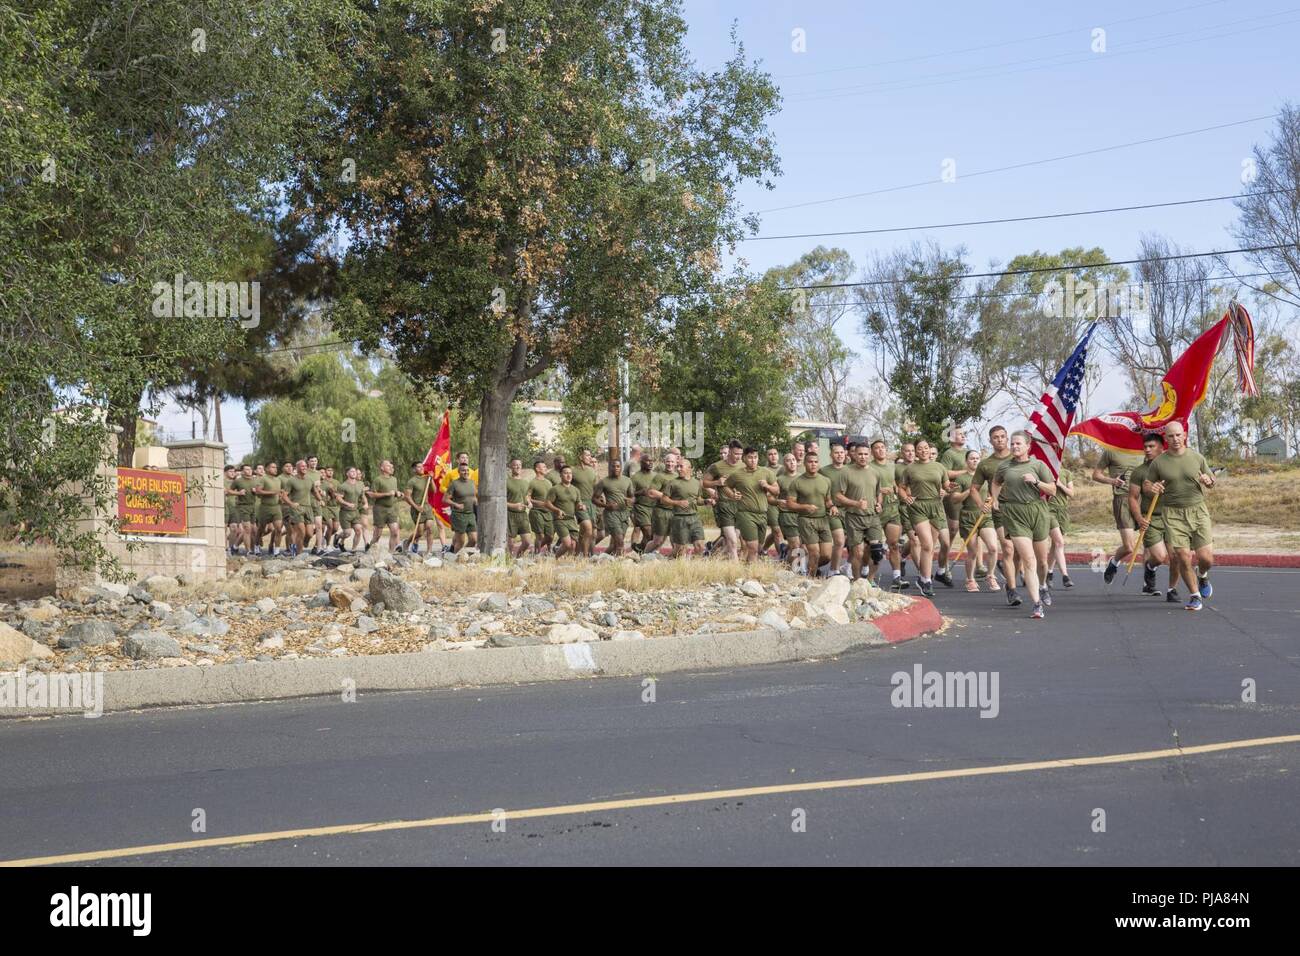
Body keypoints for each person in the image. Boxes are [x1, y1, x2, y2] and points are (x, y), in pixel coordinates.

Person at [1143, 420, 1216, 612]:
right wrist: (1154, 487)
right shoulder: (1159, 462)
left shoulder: (1197, 457)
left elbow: (1211, 481)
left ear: (1184, 435)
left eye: (1178, 435)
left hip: (1198, 510)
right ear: (1165, 439)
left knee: (1206, 558)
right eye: (1170, 436)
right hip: (1173, 513)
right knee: (1183, 556)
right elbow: (1147, 485)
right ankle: (1194, 596)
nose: (1175, 439)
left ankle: (1202, 575)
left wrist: (1208, 480)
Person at [989, 431, 1056, 620]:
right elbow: (995, 483)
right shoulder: (1004, 466)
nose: (1014, 446)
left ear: (1028, 446)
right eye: (1013, 443)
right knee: (1029, 560)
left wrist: (1036, 481)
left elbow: (1053, 490)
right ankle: (1036, 604)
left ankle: (1043, 586)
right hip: (1014, 514)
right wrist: (995, 499)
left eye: (1019, 443)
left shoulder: (1038, 465)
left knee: (1042, 561)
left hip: (1037, 512)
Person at [897, 438, 950, 596]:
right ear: (915, 451)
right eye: (919, 449)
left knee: (930, 546)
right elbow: (901, 488)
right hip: (918, 507)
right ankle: (926, 580)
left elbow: (946, 486)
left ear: (929, 449)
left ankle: (922, 578)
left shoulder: (939, 467)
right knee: (926, 544)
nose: (923, 451)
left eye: (926, 448)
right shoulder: (910, 469)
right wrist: (906, 497)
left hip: (935, 506)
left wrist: (949, 489)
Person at [1129, 432, 1176, 601]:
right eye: (1145, 447)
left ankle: (1172, 590)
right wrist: (1139, 519)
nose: (1147, 450)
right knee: (1159, 556)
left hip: (1172, 517)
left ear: (1161, 448)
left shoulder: (1172, 466)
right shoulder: (1139, 472)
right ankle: (1150, 567)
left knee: (1175, 556)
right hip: (1151, 518)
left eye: (1152, 446)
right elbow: (1133, 498)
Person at [971, 426, 1015, 600]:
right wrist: (982, 504)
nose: (999, 440)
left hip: (1020, 509)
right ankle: (1011, 588)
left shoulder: (1017, 458)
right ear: (990, 440)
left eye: (1003, 436)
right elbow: (974, 489)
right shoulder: (986, 464)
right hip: (999, 510)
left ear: (1007, 438)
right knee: (1008, 548)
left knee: (1019, 553)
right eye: (995, 437)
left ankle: (1012, 577)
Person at [1093, 444, 1144, 584]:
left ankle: (1149, 583)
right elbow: (1096, 475)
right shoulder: (1111, 451)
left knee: (1151, 544)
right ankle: (1114, 563)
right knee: (1129, 547)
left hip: (1143, 499)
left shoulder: (1143, 449)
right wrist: (1112, 481)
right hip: (1123, 499)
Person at [835, 442, 883, 581]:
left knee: (877, 552)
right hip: (854, 517)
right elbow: (838, 495)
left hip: (872, 517)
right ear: (854, 455)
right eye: (860, 454)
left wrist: (879, 504)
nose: (863, 457)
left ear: (870, 455)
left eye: (865, 454)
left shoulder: (875, 472)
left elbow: (878, 492)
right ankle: (857, 582)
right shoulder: (846, 472)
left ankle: (870, 581)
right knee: (858, 553)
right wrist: (856, 503)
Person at [723, 448, 781, 563]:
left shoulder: (766, 472)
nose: (753, 460)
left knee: (758, 548)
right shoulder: (737, 474)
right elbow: (725, 486)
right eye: (750, 457)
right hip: (746, 514)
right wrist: (733, 495)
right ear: (744, 459)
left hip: (762, 514)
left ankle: (748, 567)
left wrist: (767, 486)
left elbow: (777, 490)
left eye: (755, 457)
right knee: (752, 547)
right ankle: (751, 575)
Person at [786, 451, 833, 576]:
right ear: (805, 464)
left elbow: (828, 501)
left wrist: (832, 507)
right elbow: (790, 504)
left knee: (827, 555)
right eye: (810, 462)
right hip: (806, 520)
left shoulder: (826, 481)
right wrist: (805, 507)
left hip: (823, 520)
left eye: (816, 462)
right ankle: (811, 580)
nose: (813, 464)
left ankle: (802, 564)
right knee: (815, 553)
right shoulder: (797, 482)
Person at [869, 440, 907, 589]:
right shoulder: (869, 468)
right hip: (876, 511)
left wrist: (896, 489)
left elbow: (899, 484)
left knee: (894, 545)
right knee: (875, 548)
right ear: (872, 452)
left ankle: (897, 577)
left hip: (892, 509)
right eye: (877, 448)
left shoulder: (893, 466)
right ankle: (869, 579)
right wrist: (879, 491)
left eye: (882, 447)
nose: (880, 450)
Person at [948, 449, 984, 591]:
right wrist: (968, 491)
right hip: (968, 515)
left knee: (993, 547)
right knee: (973, 550)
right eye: (972, 458)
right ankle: (970, 579)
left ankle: (991, 576)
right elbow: (955, 499)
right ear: (966, 461)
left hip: (985, 516)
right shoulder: (961, 479)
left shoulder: (985, 477)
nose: (975, 460)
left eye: (977, 458)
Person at [703, 441, 744, 560]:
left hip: (740, 506)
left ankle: (712, 559)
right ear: (730, 452)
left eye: (740, 454)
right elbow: (704, 483)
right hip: (724, 506)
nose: (738, 457)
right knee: (732, 541)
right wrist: (717, 482)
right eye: (736, 454)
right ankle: (735, 570)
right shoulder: (716, 466)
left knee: (732, 540)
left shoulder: (743, 465)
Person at [664, 459, 708, 558]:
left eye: (681, 466)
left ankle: (694, 567)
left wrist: (706, 501)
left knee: (700, 546)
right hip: (680, 518)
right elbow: (664, 499)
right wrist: (677, 502)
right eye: (677, 467)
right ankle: (670, 560)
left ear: (689, 468)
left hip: (695, 518)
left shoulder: (696, 483)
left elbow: (698, 500)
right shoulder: (672, 483)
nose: (678, 469)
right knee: (680, 550)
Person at [594, 457, 635, 557]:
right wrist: (606, 505)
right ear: (609, 467)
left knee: (614, 545)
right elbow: (594, 499)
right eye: (613, 466)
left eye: (618, 466)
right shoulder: (604, 482)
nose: (616, 468)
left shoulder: (627, 480)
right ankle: (619, 565)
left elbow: (632, 497)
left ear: (621, 467)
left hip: (624, 514)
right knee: (620, 542)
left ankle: (600, 559)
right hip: (611, 514)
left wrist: (630, 500)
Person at [821, 441, 849, 574]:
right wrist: (830, 504)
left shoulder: (851, 470)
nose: (839, 455)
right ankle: (834, 570)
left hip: (850, 511)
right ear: (831, 455)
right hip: (832, 509)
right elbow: (821, 491)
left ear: (845, 454)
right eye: (836, 452)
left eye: (841, 452)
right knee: (839, 540)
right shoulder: (824, 471)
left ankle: (849, 567)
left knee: (853, 543)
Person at [543, 465, 583, 557]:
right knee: (567, 543)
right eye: (565, 473)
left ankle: (568, 562)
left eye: (570, 473)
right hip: (560, 520)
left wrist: (581, 506)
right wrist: (557, 510)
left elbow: (578, 504)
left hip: (571, 520)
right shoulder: (555, 489)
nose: (568, 475)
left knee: (573, 544)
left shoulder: (576, 490)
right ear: (560, 475)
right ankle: (555, 559)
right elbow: (547, 503)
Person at [1045, 464, 1074, 589]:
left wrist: (1060, 484)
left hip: (1062, 511)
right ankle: (1065, 576)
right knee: (1059, 543)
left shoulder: (1066, 472)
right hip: (1049, 510)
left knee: (1055, 544)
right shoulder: (1044, 470)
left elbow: (1071, 493)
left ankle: (1049, 573)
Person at [645, 451, 679, 555]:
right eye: (668, 462)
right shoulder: (660, 476)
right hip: (662, 511)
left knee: (676, 540)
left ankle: (675, 562)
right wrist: (667, 497)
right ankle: (643, 557)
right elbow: (651, 492)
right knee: (658, 541)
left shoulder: (678, 475)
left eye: (672, 462)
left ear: (676, 463)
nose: (670, 464)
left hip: (675, 512)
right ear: (664, 462)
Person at [366, 459, 402, 553]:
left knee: (394, 531)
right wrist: (386, 494)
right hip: (380, 509)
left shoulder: (394, 479)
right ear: (382, 468)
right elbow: (372, 494)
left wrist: (398, 493)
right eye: (388, 466)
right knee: (377, 535)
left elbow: (394, 491)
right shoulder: (378, 480)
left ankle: (390, 553)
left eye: (392, 466)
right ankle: (370, 550)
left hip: (392, 509)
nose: (391, 467)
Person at [774, 451, 802, 566]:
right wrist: (778, 501)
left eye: (793, 460)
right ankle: (797, 571)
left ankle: (786, 560)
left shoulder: (803, 477)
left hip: (802, 515)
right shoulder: (779, 479)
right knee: (796, 546)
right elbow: (770, 498)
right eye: (788, 460)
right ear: (784, 464)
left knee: (801, 546)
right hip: (787, 515)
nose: (792, 462)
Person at [282, 460, 315, 556]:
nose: (304, 468)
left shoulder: (309, 480)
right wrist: (291, 504)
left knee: (309, 533)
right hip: (296, 509)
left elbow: (314, 491)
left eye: (305, 466)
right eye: (302, 466)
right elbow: (284, 496)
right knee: (301, 532)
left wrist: (320, 498)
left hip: (308, 508)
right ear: (297, 468)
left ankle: (301, 544)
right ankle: (299, 555)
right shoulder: (291, 480)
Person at [570, 448, 599, 558]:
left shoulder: (592, 471)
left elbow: (597, 486)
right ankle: (585, 557)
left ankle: (576, 554)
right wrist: (575, 501)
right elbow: (567, 486)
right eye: (587, 455)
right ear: (580, 457)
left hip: (592, 503)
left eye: (590, 456)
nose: (590, 458)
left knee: (586, 533)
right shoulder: (573, 470)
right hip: (580, 503)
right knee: (588, 528)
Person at [403, 461, 436, 555]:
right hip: (417, 507)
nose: (422, 468)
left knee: (429, 527)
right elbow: (407, 496)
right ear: (414, 469)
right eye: (418, 467)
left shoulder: (427, 478)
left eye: (422, 466)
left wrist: (431, 479)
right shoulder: (412, 481)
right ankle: (408, 541)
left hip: (427, 507)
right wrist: (416, 507)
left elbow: (434, 490)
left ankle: (429, 551)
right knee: (420, 532)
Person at [253, 461, 285, 557]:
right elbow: (258, 491)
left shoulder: (278, 480)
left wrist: (281, 497)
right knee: (261, 529)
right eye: (272, 467)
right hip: (265, 507)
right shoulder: (263, 479)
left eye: (275, 467)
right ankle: (256, 546)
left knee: (279, 529)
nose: (275, 469)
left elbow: (279, 492)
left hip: (276, 507)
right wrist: (271, 492)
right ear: (267, 469)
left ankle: (277, 551)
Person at [446, 460, 479, 552]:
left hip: (471, 514)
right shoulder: (454, 484)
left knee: (473, 540)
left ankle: (463, 556)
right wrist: (456, 504)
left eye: (467, 470)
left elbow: (474, 496)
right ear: (459, 472)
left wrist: (476, 502)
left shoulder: (472, 482)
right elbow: (445, 499)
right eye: (463, 471)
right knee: (460, 542)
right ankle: (457, 560)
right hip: (459, 515)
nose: (466, 472)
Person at [505, 457, 534, 557]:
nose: (517, 467)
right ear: (511, 467)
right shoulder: (506, 482)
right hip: (510, 515)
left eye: (519, 465)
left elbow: (525, 496)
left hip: (523, 515)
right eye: (515, 465)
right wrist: (514, 505)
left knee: (527, 542)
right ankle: (508, 561)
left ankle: (518, 558)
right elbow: (501, 501)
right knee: (510, 544)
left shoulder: (525, 482)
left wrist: (529, 502)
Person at [629, 454, 657, 552]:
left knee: (653, 536)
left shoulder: (656, 475)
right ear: (642, 462)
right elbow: (629, 494)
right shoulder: (636, 477)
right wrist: (640, 492)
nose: (650, 463)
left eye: (652, 461)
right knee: (648, 533)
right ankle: (642, 551)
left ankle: (639, 548)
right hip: (641, 508)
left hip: (654, 508)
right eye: (648, 461)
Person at [527, 460, 555, 554]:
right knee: (540, 535)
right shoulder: (532, 482)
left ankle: (548, 551)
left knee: (550, 536)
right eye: (543, 467)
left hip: (548, 512)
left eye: (545, 466)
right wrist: (541, 503)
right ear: (537, 469)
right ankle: (537, 554)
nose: (546, 468)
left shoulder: (549, 482)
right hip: (536, 512)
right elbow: (528, 497)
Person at [230, 464, 258, 554]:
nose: (249, 471)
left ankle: (235, 546)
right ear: (242, 471)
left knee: (254, 530)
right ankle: (248, 551)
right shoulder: (238, 481)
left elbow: (260, 493)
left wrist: (256, 491)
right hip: (243, 507)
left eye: (250, 469)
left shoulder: (255, 481)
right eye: (246, 469)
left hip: (253, 506)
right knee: (247, 529)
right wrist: (238, 493)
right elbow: (228, 491)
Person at [337, 467, 366, 553]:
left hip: (355, 512)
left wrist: (366, 503)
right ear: (347, 474)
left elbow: (362, 496)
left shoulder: (360, 484)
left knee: (358, 530)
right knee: (347, 533)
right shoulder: (343, 486)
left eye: (355, 471)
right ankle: (338, 537)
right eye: (352, 471)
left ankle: (353, 550)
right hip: (345, 513)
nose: (354, 473)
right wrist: (347, 503)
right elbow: (338, 498)